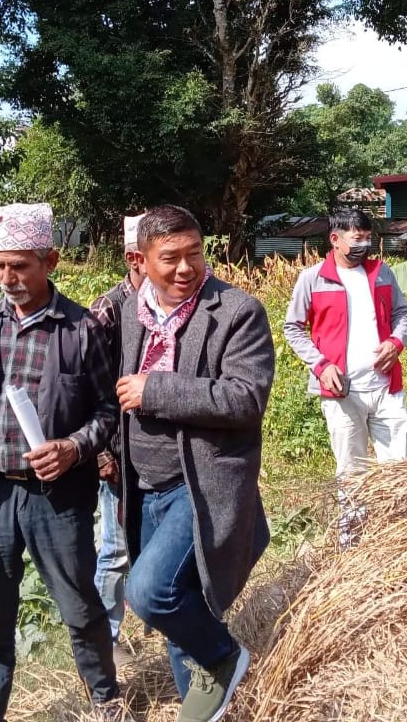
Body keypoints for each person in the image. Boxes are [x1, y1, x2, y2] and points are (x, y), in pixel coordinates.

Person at [0, 204, 127, 722]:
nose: (9, 277)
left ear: (49, 261)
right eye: (0, 265)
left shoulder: (80, 329)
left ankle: (105, 698)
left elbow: (108, 408)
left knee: (79, 607)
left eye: (20, 265)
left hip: (57, 499)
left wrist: (73, 447)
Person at [115, 205, 273, 722]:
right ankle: (205, 710)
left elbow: (245, 398)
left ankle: (227, 658)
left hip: (202, 483)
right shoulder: (127, 313)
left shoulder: (236, 312)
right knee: (185, 616)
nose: (186, 268)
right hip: (145, 486)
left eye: (194, 255)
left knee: (150, 591)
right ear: (140, 260)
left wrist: (153, 389)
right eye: (170, 259)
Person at [282, 207, 407, 545]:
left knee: (402, 469)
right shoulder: (313, 279)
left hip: (386, 388)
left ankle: (399, 539)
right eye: (357, 239)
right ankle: (353, 546)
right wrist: (321, 366)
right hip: (342, 393)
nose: (363, 246)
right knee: (352, 473)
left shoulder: (382, 272)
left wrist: (396, 342)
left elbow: (401, 313)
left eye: (368, 239)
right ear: (335, 239)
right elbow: (293, 328)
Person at [87, 213, 146, 666]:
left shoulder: (171, 304)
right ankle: (106, 637)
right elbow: (91, 387)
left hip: (159, 449)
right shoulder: (109, 309)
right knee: (115, 547)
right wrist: (103, 453)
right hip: (120, 450)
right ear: (134, 258)